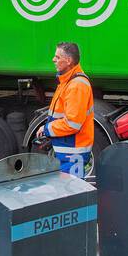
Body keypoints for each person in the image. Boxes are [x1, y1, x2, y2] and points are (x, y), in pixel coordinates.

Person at [40, 41, 94, 176]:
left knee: (71, 193)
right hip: (68, 152)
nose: (53, 60)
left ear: (68, 60)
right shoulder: (67, 82)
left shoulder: (76, 85)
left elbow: (72, 124)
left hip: (72, 153)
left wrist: (47, 129)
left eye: (57, 57)